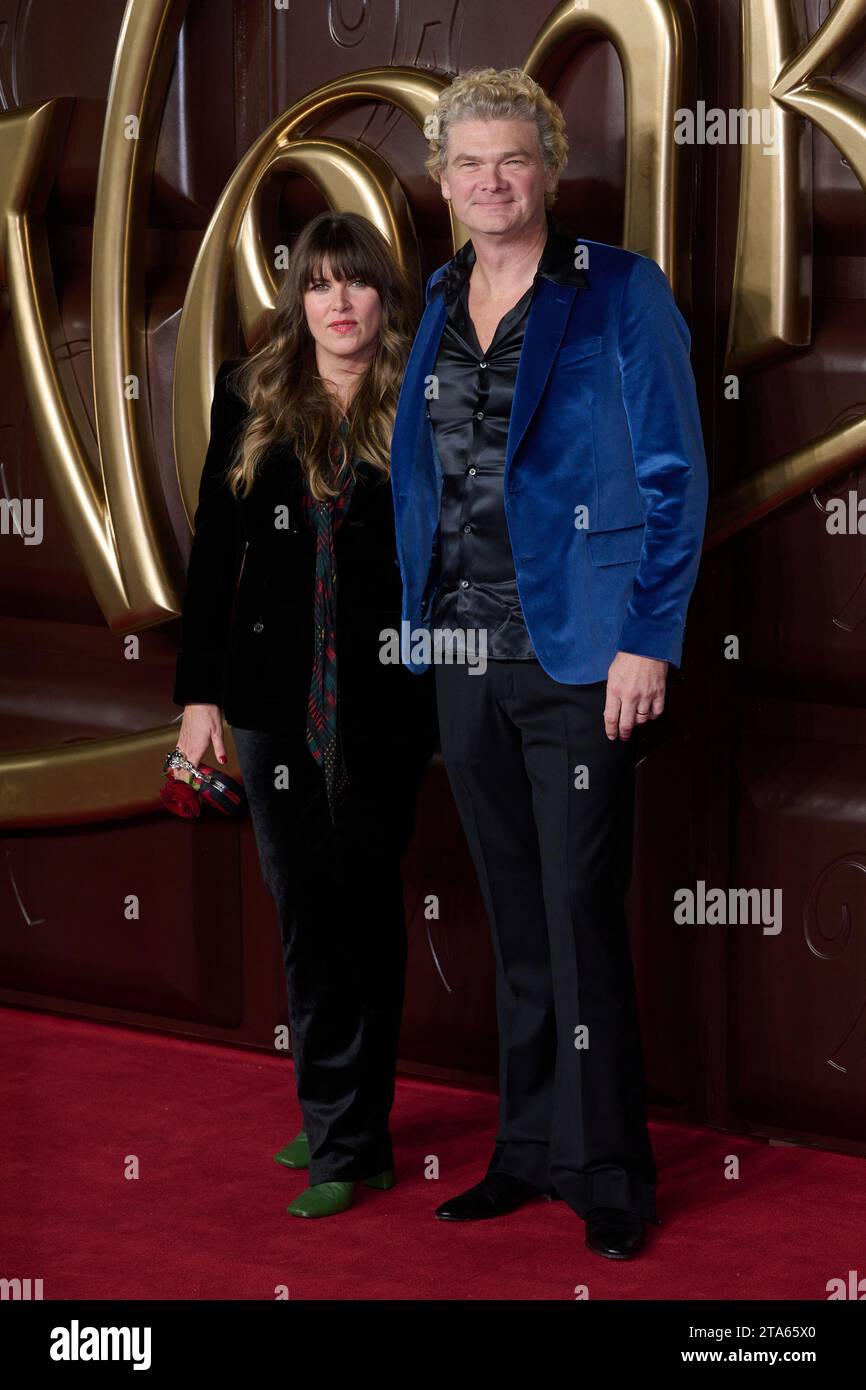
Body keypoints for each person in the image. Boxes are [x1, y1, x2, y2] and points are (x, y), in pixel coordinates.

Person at [389, 68, 709, 1259]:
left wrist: (648, 636)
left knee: (579, 914)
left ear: (549, 166)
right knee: (512, 917)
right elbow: (421, 476)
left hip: (583, 654)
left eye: (510, 160)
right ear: (443, 179)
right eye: (467, 163)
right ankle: (525, 1151)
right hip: (463, 655)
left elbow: (673, 477)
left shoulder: (617, 291)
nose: (489, 181)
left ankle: (609, 1169)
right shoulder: (434, 296)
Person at [169, 211, 438, 1219]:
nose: (338, 301)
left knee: (363, 903)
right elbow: (214, 558)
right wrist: (197, 700)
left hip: (387, 699)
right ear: (298, 298)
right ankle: (339, 1121)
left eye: (356, 283)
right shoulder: (249, 390)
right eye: (319, 284)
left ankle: (352, 1130)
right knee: (304, 910)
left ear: (382, 297)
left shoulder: (427, 393)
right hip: (270, 698)